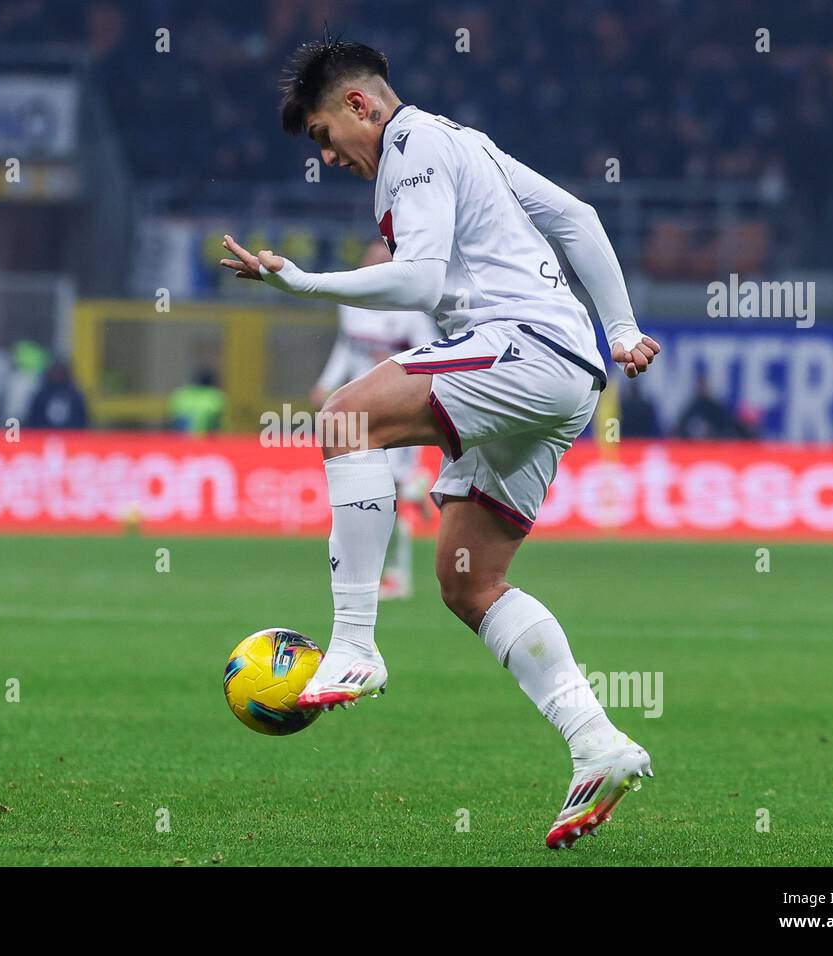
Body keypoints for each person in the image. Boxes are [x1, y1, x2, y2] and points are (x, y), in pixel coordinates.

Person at [220, 39, 661, 849]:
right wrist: (622, 328)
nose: (327, 155)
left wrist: (301, 281)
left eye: (324, 134)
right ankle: (597, 743)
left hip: (521, 346)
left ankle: (354, 644)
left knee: (345, 418)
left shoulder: (412, 143)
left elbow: (420, 281)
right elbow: (577, 217)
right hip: (566, 375)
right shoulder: (466, 142)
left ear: (359, 105)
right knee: (471, 581)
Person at [311, 242, 439, 599]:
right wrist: (326, 383)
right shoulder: (351, 306)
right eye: (372, 260)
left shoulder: (411, 312)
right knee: (375, 487)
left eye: (385, 261)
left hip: (399, 407)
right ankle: (415, 495)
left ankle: (397, 574)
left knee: (390, 488)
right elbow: (345, 346)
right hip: (356, 407)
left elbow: (433, 355)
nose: (377, 266)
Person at [26, 361, 89, 430]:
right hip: (43, 435)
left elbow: (81, 420)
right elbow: (33, 420)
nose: (57, 375)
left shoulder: (74, 397)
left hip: (71, 437)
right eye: (55, 372)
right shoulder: (41, 396)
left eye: (60, 373)